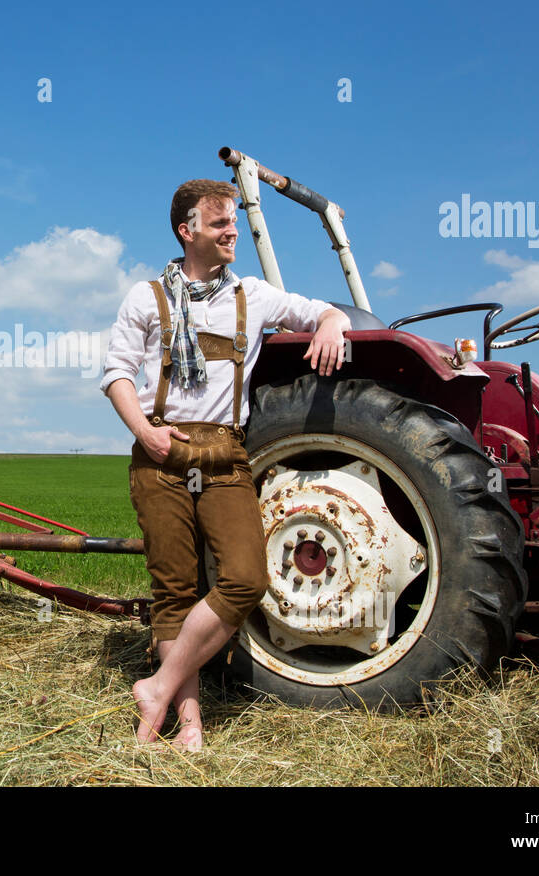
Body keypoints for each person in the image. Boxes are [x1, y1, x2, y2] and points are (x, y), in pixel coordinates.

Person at [100, 178, 351, 751]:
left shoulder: (255, 296)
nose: (232, 231)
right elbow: (116, 374)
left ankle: (157, 686)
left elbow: (321, 311)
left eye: (234, 221)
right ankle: (185, 723)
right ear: (187, 232)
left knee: (244, 578)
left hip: (224, 453)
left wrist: (334, 323)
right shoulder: (146, 297)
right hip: (159, 453)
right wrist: (145, 432)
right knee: (174, 590)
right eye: (219, 224)